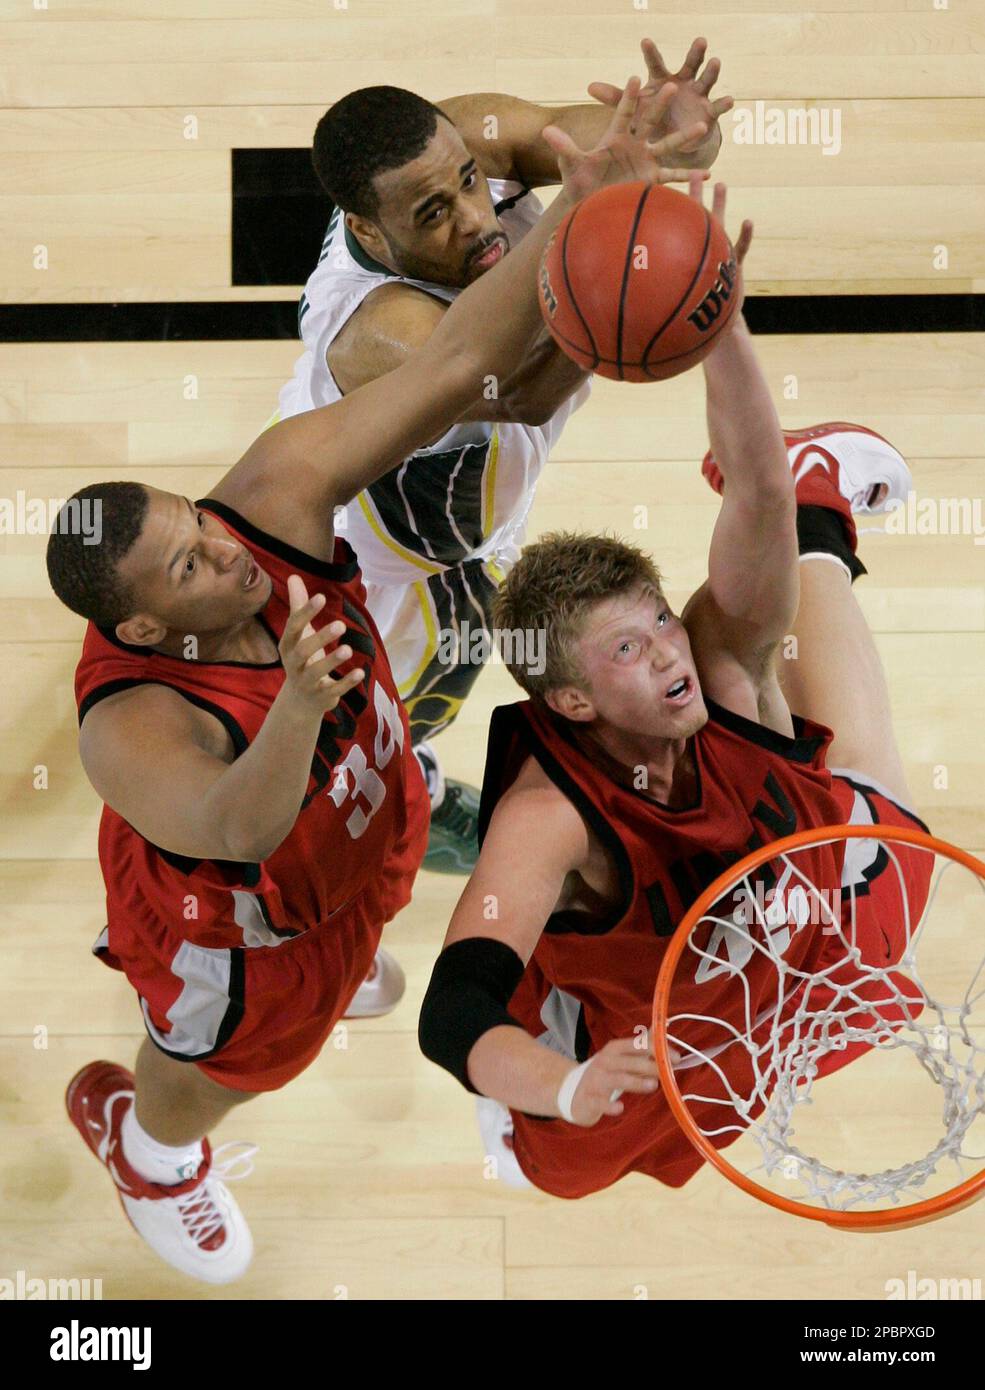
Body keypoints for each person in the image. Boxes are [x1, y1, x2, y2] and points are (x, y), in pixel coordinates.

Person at [45, 83, 703, 1283]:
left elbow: (461, 361)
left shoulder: (273, 496)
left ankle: (343, 946)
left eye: (202, 518)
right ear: (146, 621)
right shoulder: (130, 721)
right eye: (193, 563)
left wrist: (605, 184)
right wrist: (300, 704)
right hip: (244, 928)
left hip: (358, 824)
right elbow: (236, 824)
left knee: (394, 820)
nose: (228, 545)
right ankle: (147, 1145)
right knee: (230, 1067)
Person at [419, 179, 925, 1199]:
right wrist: (561, 1089)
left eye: (658, 618)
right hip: (645, 1041)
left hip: (798, 927)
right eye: (627, 650)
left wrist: (722, 319)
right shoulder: (547, 819)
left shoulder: (715, 673)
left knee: (881, 804)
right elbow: (456, 1011)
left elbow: (752, 490)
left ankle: (824, 491)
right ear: (569, 700)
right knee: (560, 1168)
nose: (667, 652)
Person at [275, 38, 732, 873]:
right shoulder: (374, 327)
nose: (476, 216)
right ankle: (349, 837)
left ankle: (400, 771)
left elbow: (611, 139)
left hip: (479, 506)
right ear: (365, 228)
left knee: (442, 680)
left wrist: (675, 131)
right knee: (378, 713)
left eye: (466, 182)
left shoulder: (457, 144)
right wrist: (594, 219)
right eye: (434, 215)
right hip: (391, 554)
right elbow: (522, 386)